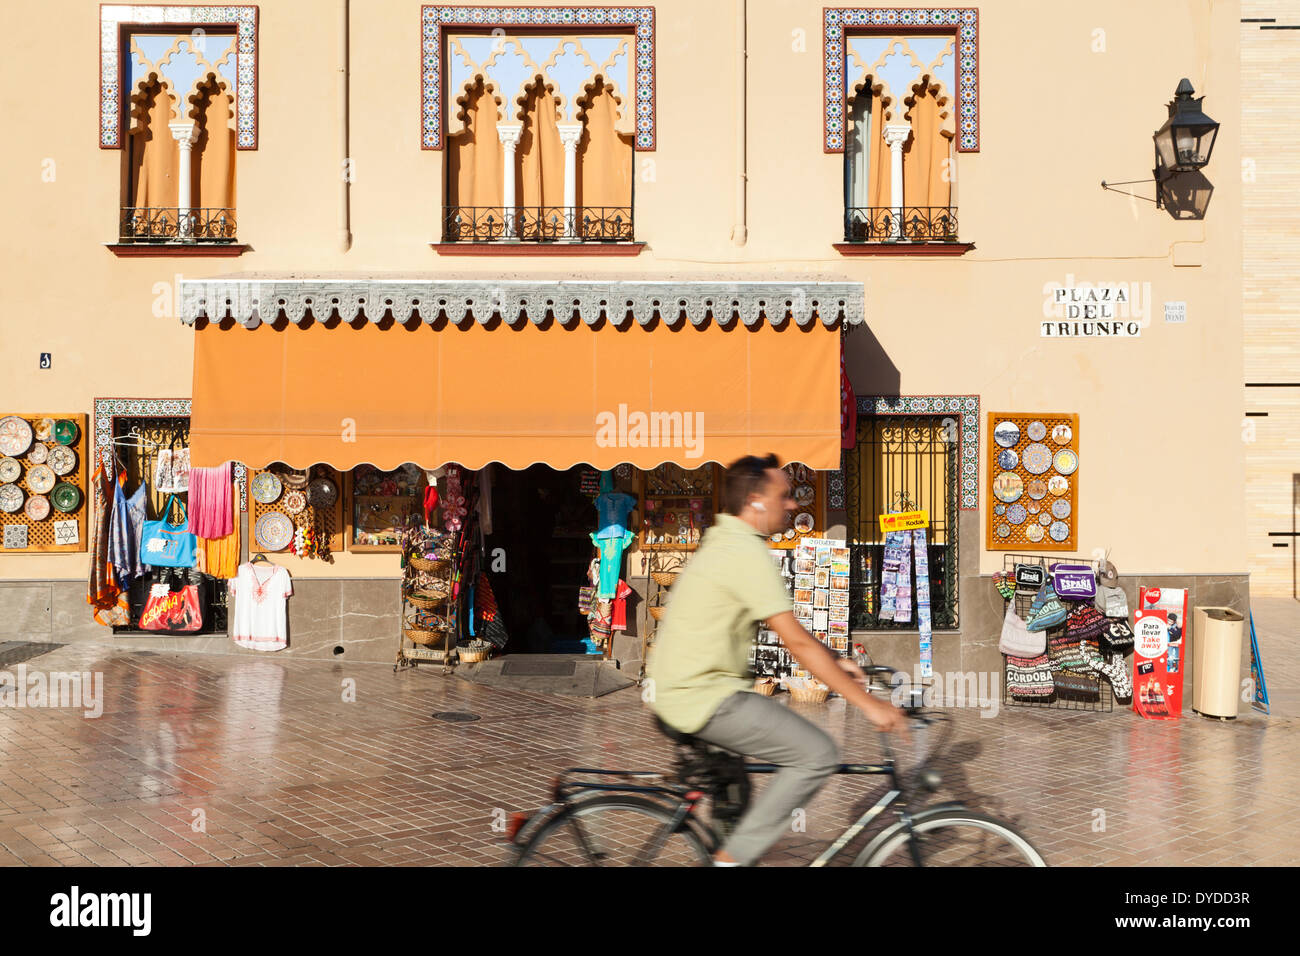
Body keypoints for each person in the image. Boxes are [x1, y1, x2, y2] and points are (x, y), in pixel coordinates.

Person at [646, 453, 906, 866]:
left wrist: (836, 661)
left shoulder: (725, 539)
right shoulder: (744, 552)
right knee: (816, 753)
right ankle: (730, 861)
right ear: (755, 501)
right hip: (702, 696)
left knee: (737, 802)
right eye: (783, 496)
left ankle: (729, 850)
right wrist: (869, 705)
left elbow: (798, 638)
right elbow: (796, 643)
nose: (792, 505)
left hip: (681, 690)